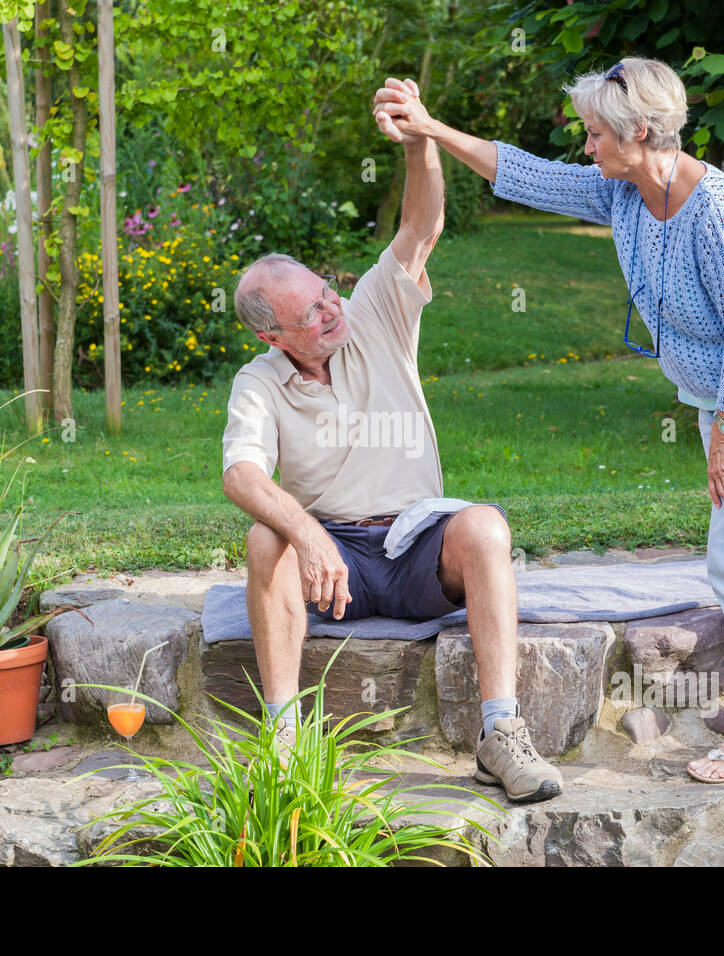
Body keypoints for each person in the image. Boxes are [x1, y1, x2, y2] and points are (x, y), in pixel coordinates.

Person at [373, 58, 724, 783]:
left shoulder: (721, 211)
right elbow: (521, 174)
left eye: (595, 134)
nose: (586, 147)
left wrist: (723, 436)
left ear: (641, 131)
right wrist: (429, 128)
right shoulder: (623, 193)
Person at [220, 80, 563, 803]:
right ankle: (282, 745)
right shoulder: (259, 380)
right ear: (271, 336)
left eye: (326, 292)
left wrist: (418, 144)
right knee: (263, 541)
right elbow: (243, 478)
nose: (329, 309)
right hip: (333, 564)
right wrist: (309, 536)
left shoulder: (373, 311)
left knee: (485, 526)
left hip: (415, 548)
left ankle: (501, 734)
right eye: (309, 314)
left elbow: (421, 228)